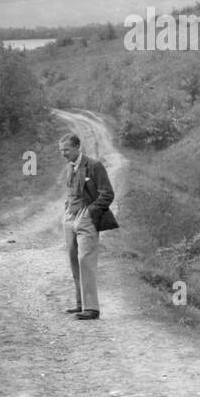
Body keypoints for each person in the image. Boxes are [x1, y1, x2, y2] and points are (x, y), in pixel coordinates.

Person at [59, 132, 116, 320]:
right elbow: (71, 191)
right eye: (61, 150)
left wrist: (90, 212)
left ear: (77, 147)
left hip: (86, 217)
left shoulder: (94, 166)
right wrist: (68, 210)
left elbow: (107, 194)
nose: (63, 154)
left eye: (66, 150)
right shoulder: (69, 167)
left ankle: (91, 308)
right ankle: (80, 304)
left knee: (86, 260)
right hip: (70, 216)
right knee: (74, 259)